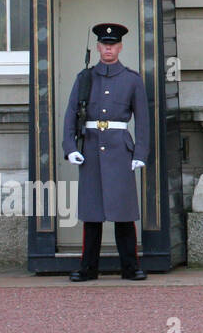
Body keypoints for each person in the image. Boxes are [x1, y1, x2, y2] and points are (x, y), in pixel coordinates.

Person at [61, 23, 150, 281]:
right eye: (104, 45)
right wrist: (70, 148)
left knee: (123, 212)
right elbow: (70, 116)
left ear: (120, 47)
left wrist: (140, 153)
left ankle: (130, 267)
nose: (108, 49)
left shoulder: (132, 80)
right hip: (90, 147)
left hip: (120, 149)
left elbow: (142, 120)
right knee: (92, 213)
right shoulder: (85, 78)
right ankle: (88, 268)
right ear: (98, 47)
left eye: (113, 45)